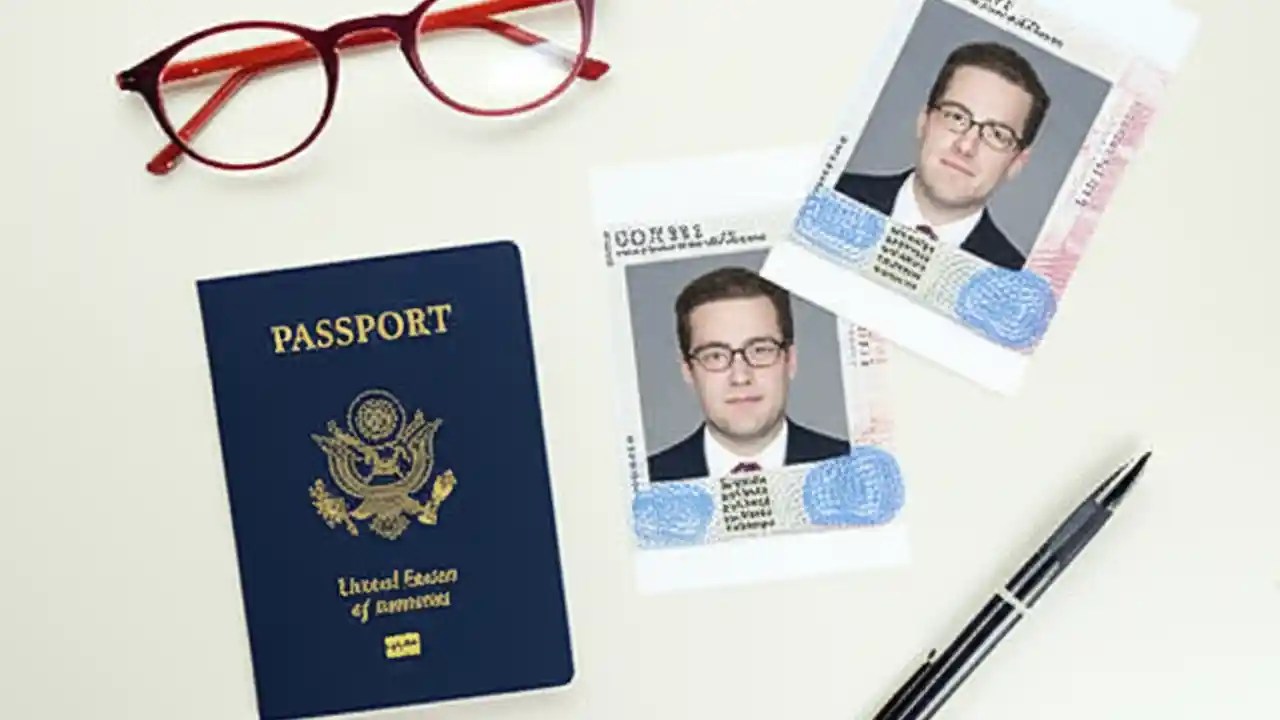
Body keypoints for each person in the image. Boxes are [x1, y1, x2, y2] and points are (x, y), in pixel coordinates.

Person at [834, 41, 1051, 271]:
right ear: (923, 120)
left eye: (997, 134)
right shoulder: (834, 193)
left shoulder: (1013, 283)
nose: (966, 146)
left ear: (1017, 163)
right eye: (957, 117)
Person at [646, 266, 849, 483]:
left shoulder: (851, 468)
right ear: (688, 369)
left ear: (790, 360)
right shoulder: (647, 482)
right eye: (715, 356)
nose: (740, 377)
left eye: (760, 350)